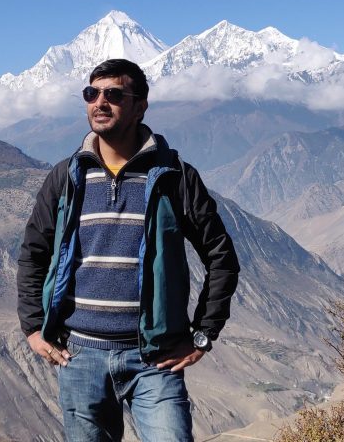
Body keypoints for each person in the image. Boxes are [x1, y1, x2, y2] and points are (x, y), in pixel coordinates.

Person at [17, 58, 240, 442]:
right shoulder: (67, 177)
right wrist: (33, 327)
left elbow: (221, 257)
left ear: (140, 106)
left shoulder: (174, 177)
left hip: (155, 359)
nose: (100, 102)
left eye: (114, 95)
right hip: (80, 356)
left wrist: (204, 332)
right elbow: (34, 252)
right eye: (92, 93)